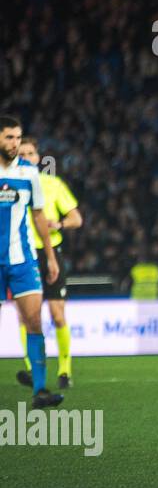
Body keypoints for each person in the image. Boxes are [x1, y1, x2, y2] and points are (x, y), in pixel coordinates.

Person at [0, 115, 62, 408]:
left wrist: (49, 257)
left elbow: (39, 216)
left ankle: (40, 390)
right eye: (9, 137)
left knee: (35, 320)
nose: (14, 143)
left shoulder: (28, 173)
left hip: (22, 259)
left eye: (17, 137)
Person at [14, 135, 81, 388]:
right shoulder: (9, 184)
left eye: (30, 153)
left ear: (38, 158)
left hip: (50, 251)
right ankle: (32, 368)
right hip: (22, 253)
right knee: (26, 316)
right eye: (22, 154)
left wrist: (59, 224)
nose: (27, 158)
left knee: (57, 314)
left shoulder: (52, 184)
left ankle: (64, 370)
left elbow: (77, 218)